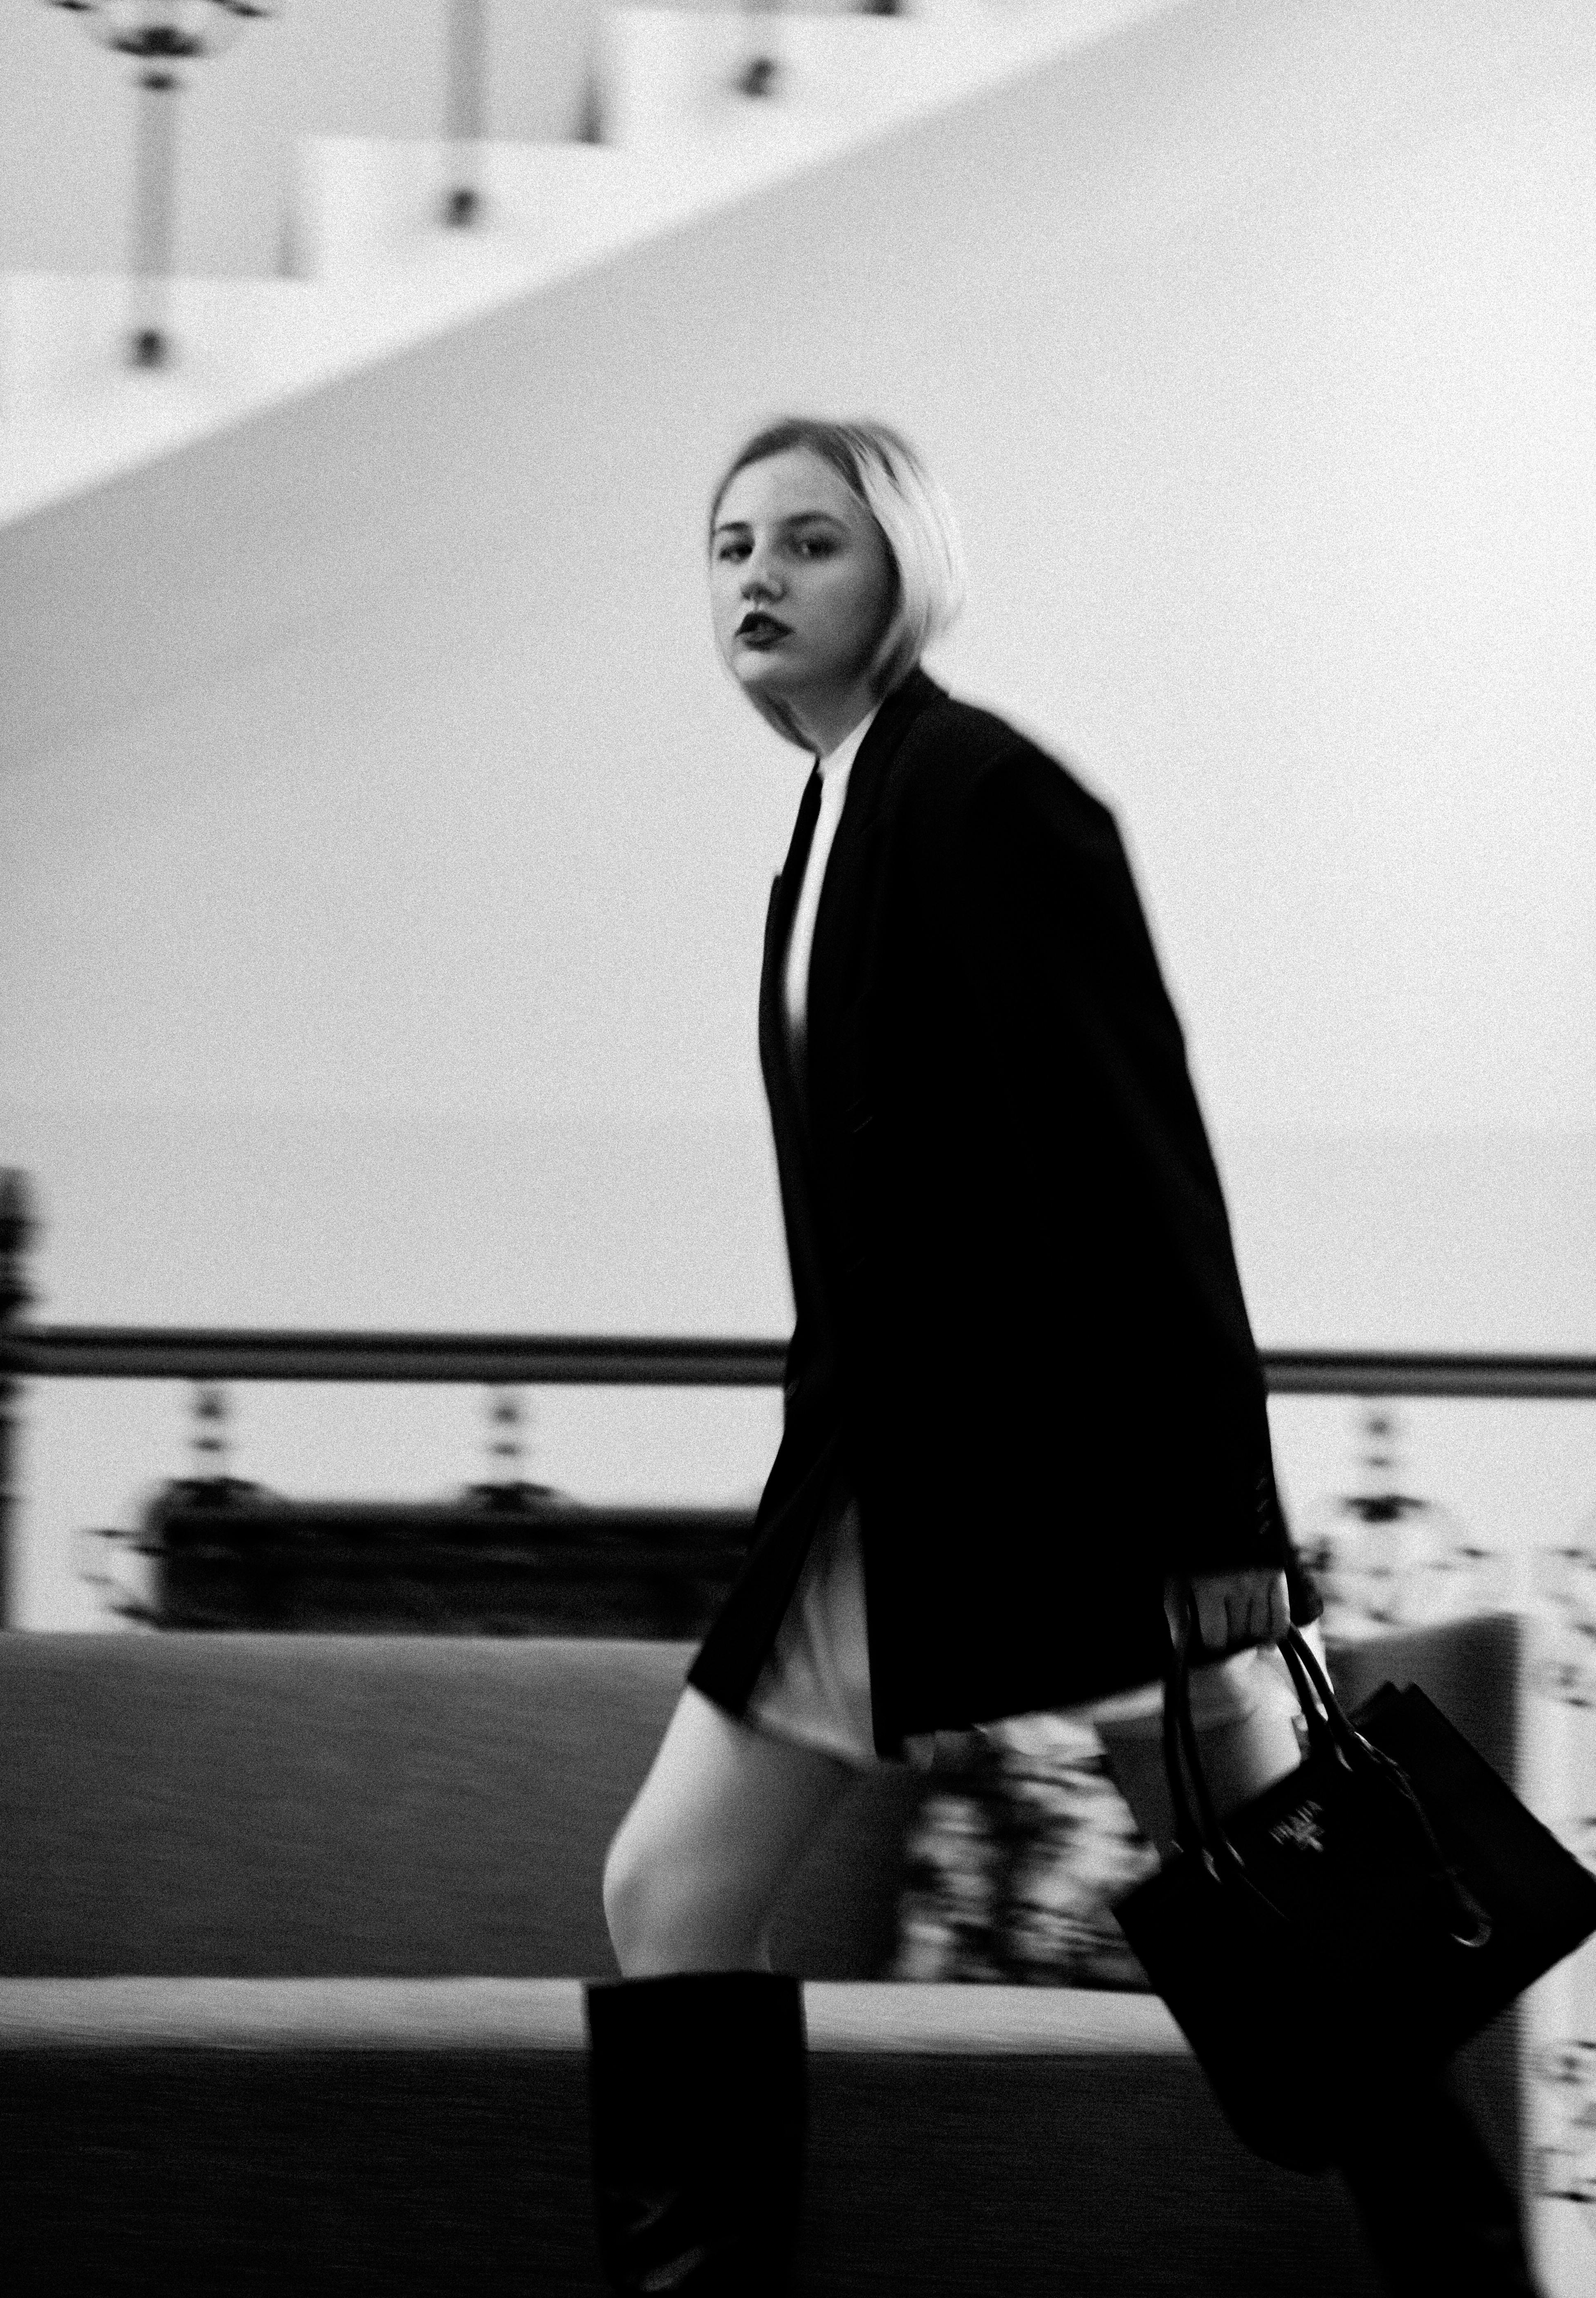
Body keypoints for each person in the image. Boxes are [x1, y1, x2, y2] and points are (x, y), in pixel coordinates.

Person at [584, 417, 1537, 2297]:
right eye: (728, 548)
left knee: (1313, 1937)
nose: (757, 579)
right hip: (894, 1490)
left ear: (904, 576)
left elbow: (1143, 1185)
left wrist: (1224, 1537)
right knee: (675, 1892)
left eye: (809, 544)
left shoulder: (986, 798)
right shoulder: (834, 821)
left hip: (1064, 1490)